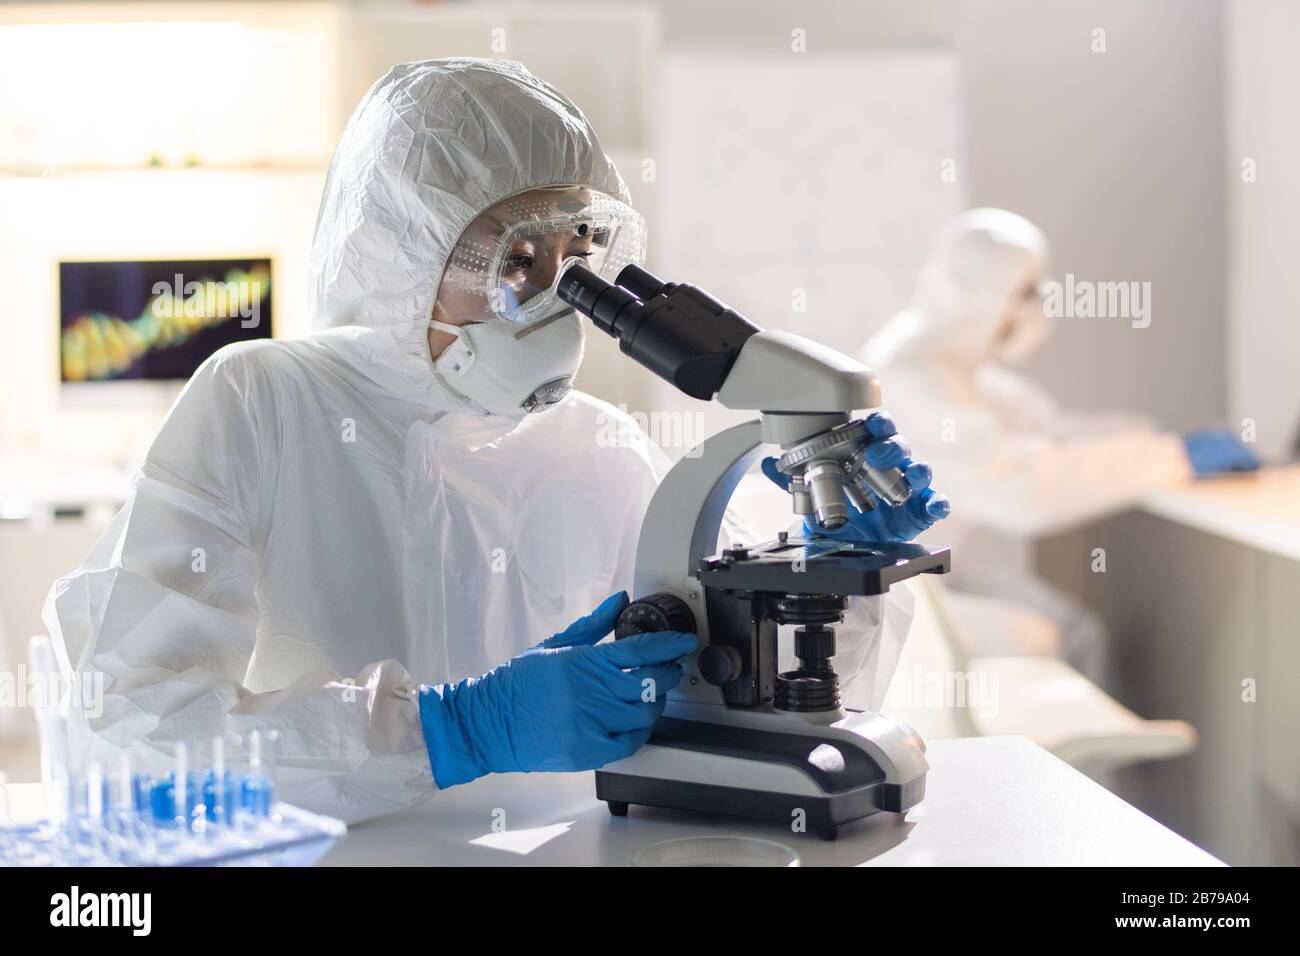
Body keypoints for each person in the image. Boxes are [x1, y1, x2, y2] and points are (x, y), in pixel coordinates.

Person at [43, 59, 947, 824]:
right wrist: (451, 731)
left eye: (578, 252)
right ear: (406, 252)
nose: (559, 296)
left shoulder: (598, 443)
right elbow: (124, 742)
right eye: (518, 260)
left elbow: (747, 707)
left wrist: (844, 572)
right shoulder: (265, 400)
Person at [861, 208, 1258, 674]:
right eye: (1025, 292)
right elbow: (1023, 488)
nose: (1034, 309)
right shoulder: (912, 379)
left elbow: (1046, 432)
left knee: (1073, 627)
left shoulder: (950, 366)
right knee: (1053, 633)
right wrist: (1173, 457)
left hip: (921, 576)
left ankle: (1095, 746)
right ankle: (1050, 747)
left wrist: (1163, 442)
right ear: (978, 294)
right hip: (889, 597)